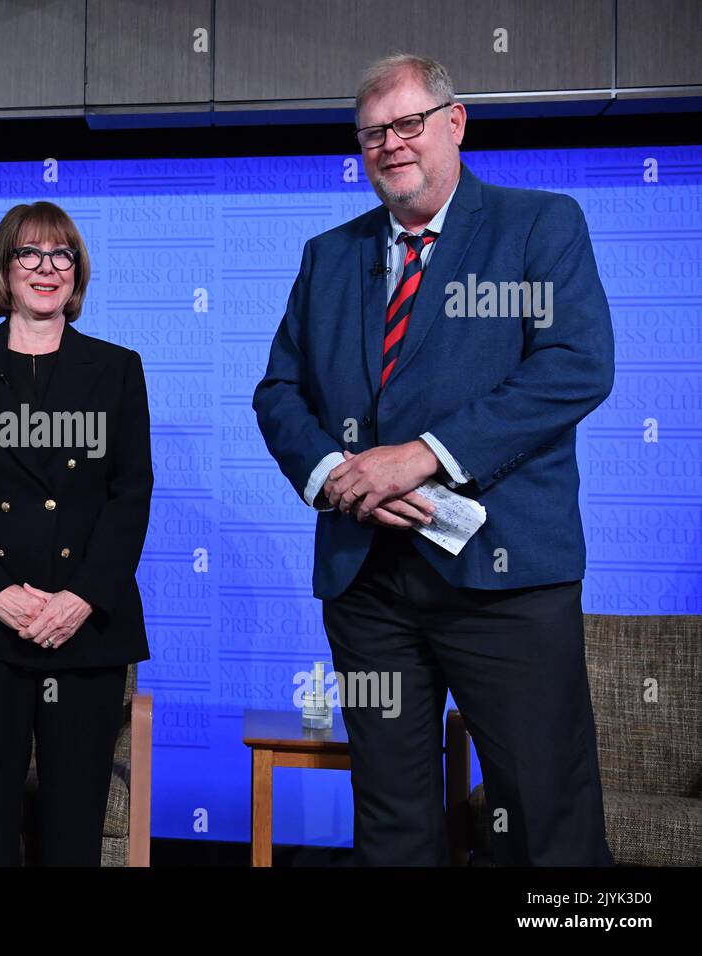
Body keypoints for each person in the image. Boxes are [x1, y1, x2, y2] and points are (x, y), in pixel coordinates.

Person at [253, 54, 614, 865]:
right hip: (368, 586)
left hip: (505, 583)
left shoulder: (539, 225)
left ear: (454, 123)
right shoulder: (328, 256)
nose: (390, 144)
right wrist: (340, 480)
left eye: (408, 124)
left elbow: (574, 365)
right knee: (391, 823)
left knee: (543, 814)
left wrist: (418, 458)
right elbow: (278, 392)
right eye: (373, 132)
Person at [0, 201, 152, 865]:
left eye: (62, 255)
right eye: (30, 254)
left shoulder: (118, 368)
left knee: (72, 832)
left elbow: (131, 494)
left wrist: (80, 598)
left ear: (77, 272)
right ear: (5, 270)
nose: (47, 268)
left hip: (84, 628)